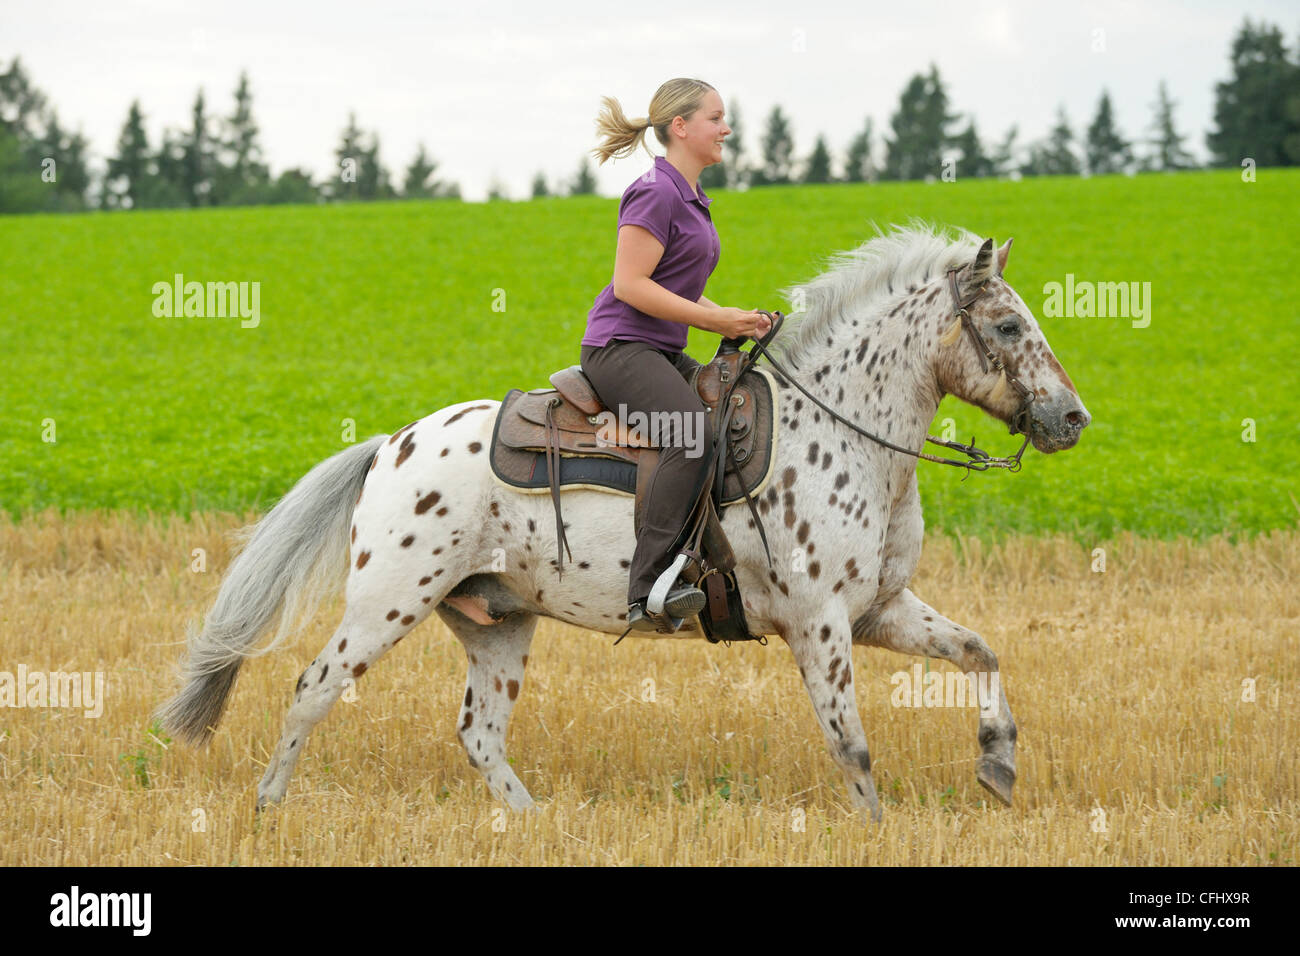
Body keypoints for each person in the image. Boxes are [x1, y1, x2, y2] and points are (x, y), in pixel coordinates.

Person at [579, 78, 771, 633]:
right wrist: (718, 321)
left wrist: (739, 317)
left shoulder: (690, 196)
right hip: (620, 349)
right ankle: (648, 590)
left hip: (659, 349)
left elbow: (678, 287)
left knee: (738, 408)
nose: (726, 129)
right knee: (692, 432)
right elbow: (630, 286)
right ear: (681, 127)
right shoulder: (656, 192)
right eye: (716, 118)